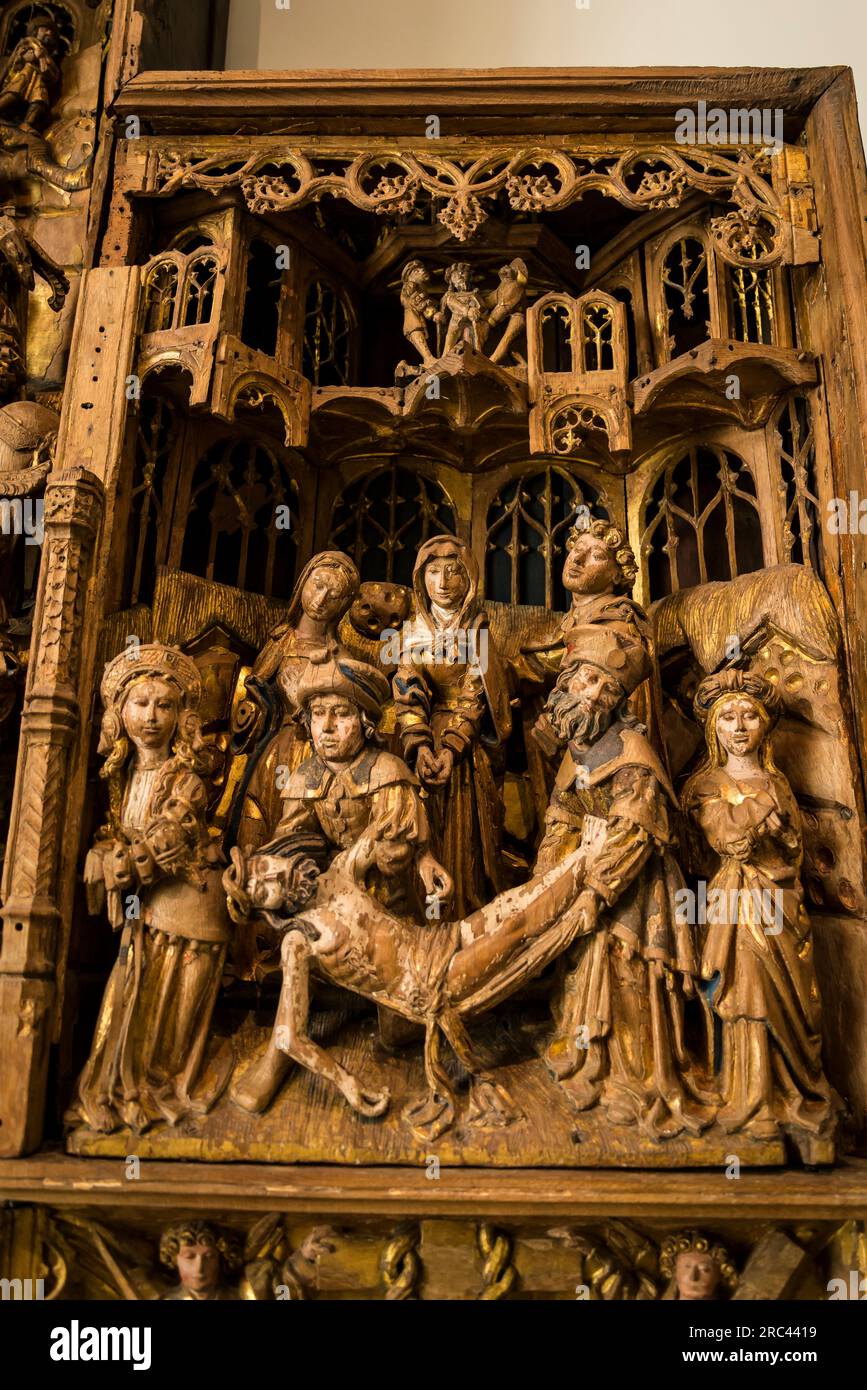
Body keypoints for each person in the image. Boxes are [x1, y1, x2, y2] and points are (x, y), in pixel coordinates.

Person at [227, 654, 452, 1115]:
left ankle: (387, 1010)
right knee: (295, 946)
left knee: (396, 1033)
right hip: (330, 904)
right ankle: (278, 1053)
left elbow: (396, 849)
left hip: (386, 915)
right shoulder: (306, 777)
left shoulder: (387, 772)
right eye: (317, 714)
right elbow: (293, 840)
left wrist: (402, 855)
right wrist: (259, 875)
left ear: (367, 722)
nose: (326, 727)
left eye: (342, 713)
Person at [534, 629, 711, 1139]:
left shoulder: (632, 752)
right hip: (585, 875)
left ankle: (636, 1077)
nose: (593, 695)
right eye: (588, 681)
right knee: (580, 970)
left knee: (624, 970)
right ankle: (587, 1053)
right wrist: (549, 877)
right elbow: (561, 815)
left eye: (607, 690)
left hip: (634, 889)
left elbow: (634, 831)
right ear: (568, 682)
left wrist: (594, 890)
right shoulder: (576, 748)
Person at [65, 645, 231, 1134]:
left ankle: (153, 1092)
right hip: (145, 909)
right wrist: (105, 852)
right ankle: (119, 1092)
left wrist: (115, 863)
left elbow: (170, 836)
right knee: (129, 995)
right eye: (140, 704)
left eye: (164, 705)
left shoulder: (188, 779)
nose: (151, 717)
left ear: (182, 717)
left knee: (167, 1016)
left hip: (190, 908)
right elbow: (117, 834)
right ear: (120, 713)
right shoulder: (119, 778)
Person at [682, 669, 837, 1142]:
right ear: (713, 728)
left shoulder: (778, 780)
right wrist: (755, 819)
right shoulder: (705, 783)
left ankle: (790, 1094)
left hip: (780, 905)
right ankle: (749, 1097)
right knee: (745, 992)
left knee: (789, 1002)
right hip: (732, 908)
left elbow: (793, 848)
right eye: (727, 717)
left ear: (765, 724)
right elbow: (721, 835)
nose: (739, 725)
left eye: (750, 715)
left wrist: (778, 831)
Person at [391, 534, 512, 916]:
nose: (442, 583)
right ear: (420, 578)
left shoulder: (478, 630)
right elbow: (408, 688)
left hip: (465, 749)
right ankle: (417, 910)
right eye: (433, 572)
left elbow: (479, 694)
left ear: (469, 578)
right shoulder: (411, 632)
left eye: (453, 572)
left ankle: (462, 909)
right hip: (421, 741)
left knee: (466, 832)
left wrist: (450, 748)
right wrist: (419, 744)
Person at [235, 550, 359, 853]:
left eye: (334, 595)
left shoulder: (339, 658)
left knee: (297, 827)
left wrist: (305, 703)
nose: (320, 599)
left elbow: (347, 721)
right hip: (274, 748)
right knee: (255, 817)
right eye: (317, 585)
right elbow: (253, 696)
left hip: (315, 756)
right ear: (303, 582)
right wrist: (257, 702)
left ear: (343, 605)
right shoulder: (280, 642)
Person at [0, 15, 61, 134]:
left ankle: (27, 123)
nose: (49, 33)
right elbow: (16, 61)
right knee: (17, 87)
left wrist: (42, 59)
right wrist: (30, 57)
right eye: (45, 29)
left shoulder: (48, 56)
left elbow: (54, 76)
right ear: (36, 30)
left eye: (51, 32)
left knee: (40, 99)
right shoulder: (29, 42)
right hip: (22, 79)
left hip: (38, 83)